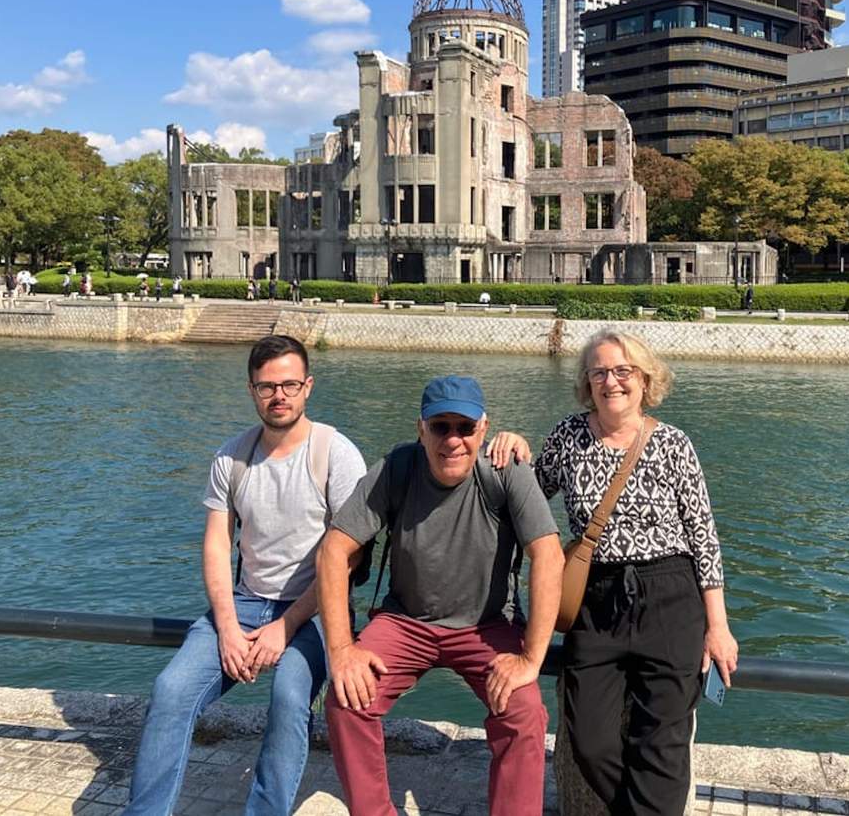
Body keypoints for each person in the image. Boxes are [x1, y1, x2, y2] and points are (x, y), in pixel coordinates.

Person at [491, 330, 738, 816]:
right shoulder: (568, 436)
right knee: (589, 737)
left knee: (661, 744)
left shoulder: (673, 444)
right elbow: (529, 498)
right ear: (587, 382)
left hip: (669, 594)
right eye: (599, 372)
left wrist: (719, 626)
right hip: (596, 598)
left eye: (623, 371)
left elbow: (703, 538)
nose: (611, 381)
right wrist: (514, 448)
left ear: (645, 380)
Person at [124, 335, 367, 816]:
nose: (279, 395)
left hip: (319, 608)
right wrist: (228, 627)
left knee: (289, 693)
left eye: (290, 384)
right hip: (247, 599)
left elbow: (348, 558)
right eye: (267, 386)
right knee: (171, 691)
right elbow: (216, 544)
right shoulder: (230, 458)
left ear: (308, 387)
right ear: (252, 390)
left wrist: (287, 625)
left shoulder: (337, 455)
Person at [316, 375, 563, 816]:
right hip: (405, 622)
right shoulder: (397, 468)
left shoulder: (507, 472)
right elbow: (334, 550)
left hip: (486, 626)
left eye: (465, 428)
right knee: (347, 698)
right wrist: (341, 649)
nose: (453, 440)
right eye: (440, 427)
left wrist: (531, 659)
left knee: (524, 713)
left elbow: (548, 556)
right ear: (421, 429)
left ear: (483, 430)